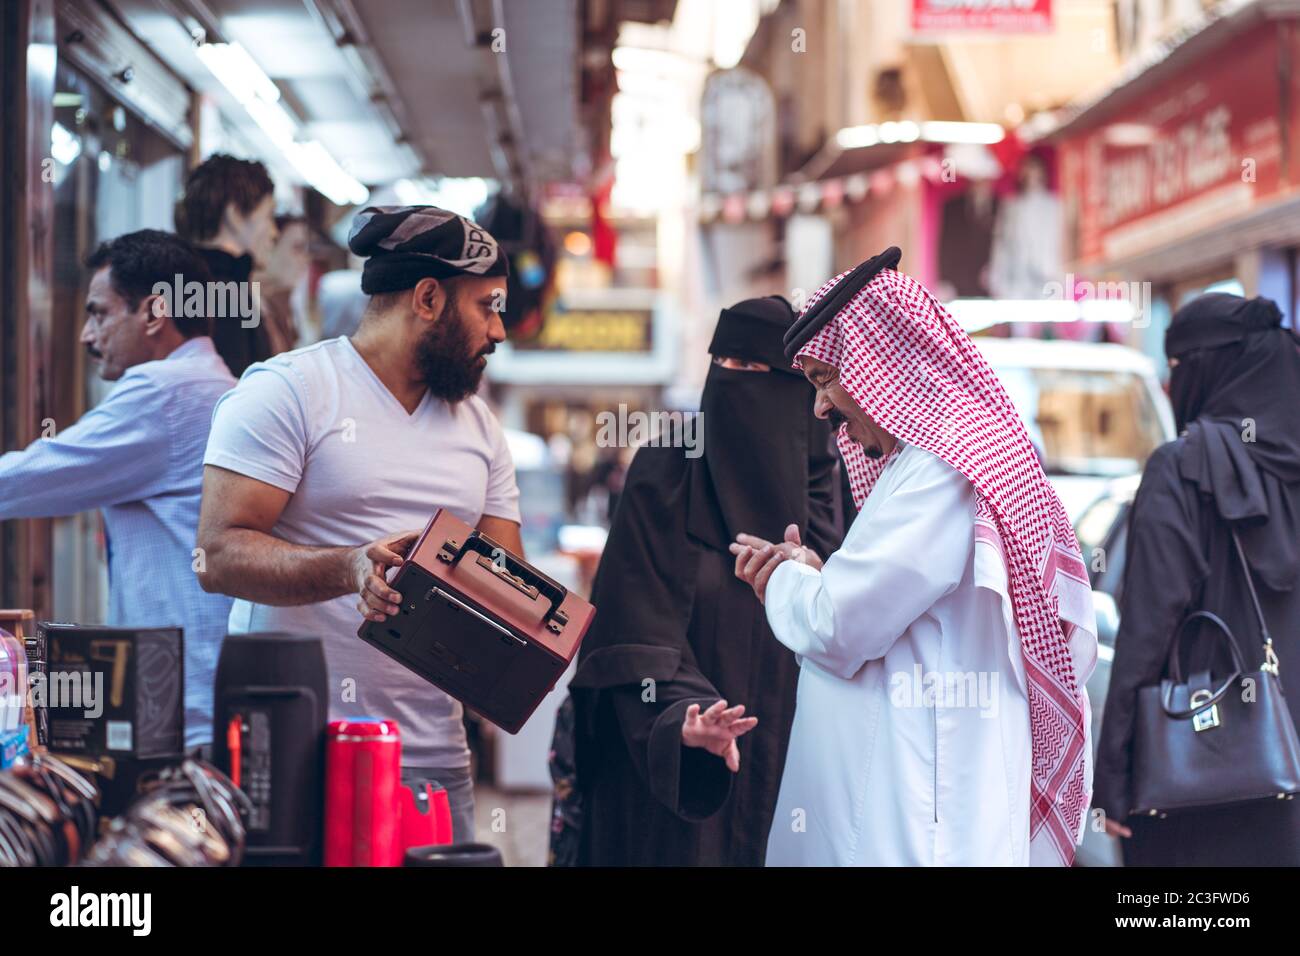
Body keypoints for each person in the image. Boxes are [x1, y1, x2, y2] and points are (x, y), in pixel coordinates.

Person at [734, 248, 1097, 866]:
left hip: (917, 807)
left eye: (825, 379)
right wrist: (821, 577)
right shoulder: (950, 459)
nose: (821, 408)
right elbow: (892, 602)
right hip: (929, 788)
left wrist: (789, 580)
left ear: (885, 364)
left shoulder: (941, 469)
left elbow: (840, 624)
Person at [196, 205, 520, 843]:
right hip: (296, 744)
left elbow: (503, 593)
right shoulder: (290, 391)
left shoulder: (481, 429)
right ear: (428, 298)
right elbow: (217, 555)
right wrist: (349, 568)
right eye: (487, 305)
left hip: (433, 759)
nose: (500, 329)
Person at [558, 296, 843, 866]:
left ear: (797, 388)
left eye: (755, 370)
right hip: (672, 790)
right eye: (724, 365)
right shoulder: (667, 471)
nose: (734, 384)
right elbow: (630, 632)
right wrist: (682, 717)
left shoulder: (840, 492)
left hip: (798, 778)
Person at [0, 230, 236, 750]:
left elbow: (28, 479)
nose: (87, 335)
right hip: (201, 696)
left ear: (153, 313)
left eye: (100, 314)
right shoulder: (213, 383)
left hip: (178, 711)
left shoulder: (164, 392)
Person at [1095, 293, 1300, 865]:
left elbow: (1145, 635)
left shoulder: (1180, 469)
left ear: (1212, 369)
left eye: (1179, 367)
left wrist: (1114, 778)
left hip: (1204, 775)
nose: (1169, 382)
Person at [175, 154, 278, 376]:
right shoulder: (225, 295)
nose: (273, 232)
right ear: (235, 215)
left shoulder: (184, 284)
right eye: (268, 216)